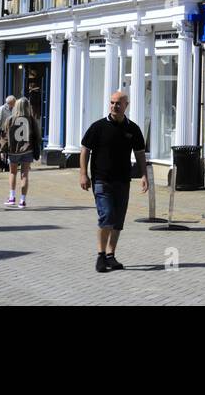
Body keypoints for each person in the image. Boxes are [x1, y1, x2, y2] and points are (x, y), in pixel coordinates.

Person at [79, 90, 148, 272]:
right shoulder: (98, 127)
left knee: (117, 221)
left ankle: (111, 256)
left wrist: (144, 175)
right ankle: (101, 256)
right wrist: (83, 174)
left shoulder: (132, 129)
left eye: (118, 103)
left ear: (126, 105)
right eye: (112, 102)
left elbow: (140, 153)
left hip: (123, 180)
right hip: (102, 179)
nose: (114, 106)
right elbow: (85, 149)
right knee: (107, 216)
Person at [1, 97, 42, 208]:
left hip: (13, 151)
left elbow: (4, 135)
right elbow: (38, 136)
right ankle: (22, 200)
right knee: (24, 175)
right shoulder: (31, 119)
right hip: (27, 150)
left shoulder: (10, 119)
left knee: (12, 173)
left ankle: (11, 197)